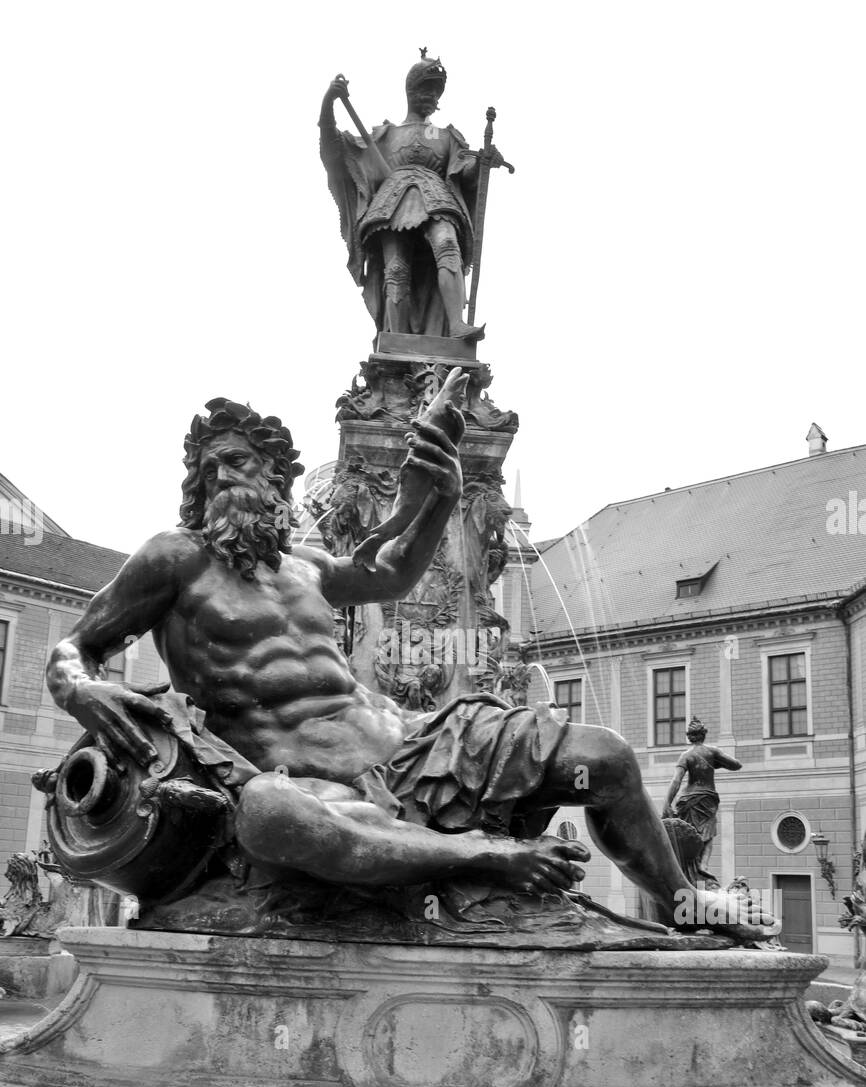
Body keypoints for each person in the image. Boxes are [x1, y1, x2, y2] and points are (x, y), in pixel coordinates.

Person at [45, 398, 775, 939]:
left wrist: (445, 495)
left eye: (237, 461)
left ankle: (686, 903)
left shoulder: (305, 565)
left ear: (275, 478)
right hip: (310, 781)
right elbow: (75, 647)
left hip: (417, 745)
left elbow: (392, 571)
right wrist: (81, 689)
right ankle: (481, 856)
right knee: (270, 818)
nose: (220, 476)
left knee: (606, 757)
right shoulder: (174, 559)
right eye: (207, 471)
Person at [319, 54, 503, 340]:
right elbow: (335, 152)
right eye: (425, 89)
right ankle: (397, 338)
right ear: (410, 90)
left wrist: (482, 162)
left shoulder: (446, 135)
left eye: (435, 92)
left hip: (437, 198)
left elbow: (464, 173)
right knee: (396, 268)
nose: (431, 96)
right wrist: (328, 104)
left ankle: (456, 324)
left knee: (447, 244)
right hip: (391, 203)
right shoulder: (385, 134)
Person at [663, 717, 741, 878]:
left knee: (691, 834)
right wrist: (716, 763)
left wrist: (667, 802)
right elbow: (736, 764)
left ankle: (688, 868)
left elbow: (676, 780)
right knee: (708, 832)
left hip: (688, 799)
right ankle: (703, 865)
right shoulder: (712, 751)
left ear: (690, 736)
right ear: (703, 735)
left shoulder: (686, 755)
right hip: (707, 797)